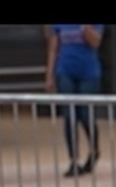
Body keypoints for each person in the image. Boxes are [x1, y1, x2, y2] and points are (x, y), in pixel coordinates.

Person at [44, 24, 104, 178]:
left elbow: (95, 42)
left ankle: (94, 150)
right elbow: (53, 48)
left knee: (85, 115)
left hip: (88, 73)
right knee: (69, 116)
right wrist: (50, 75)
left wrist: (86, 28)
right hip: (65, 70)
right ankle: (73, 160)